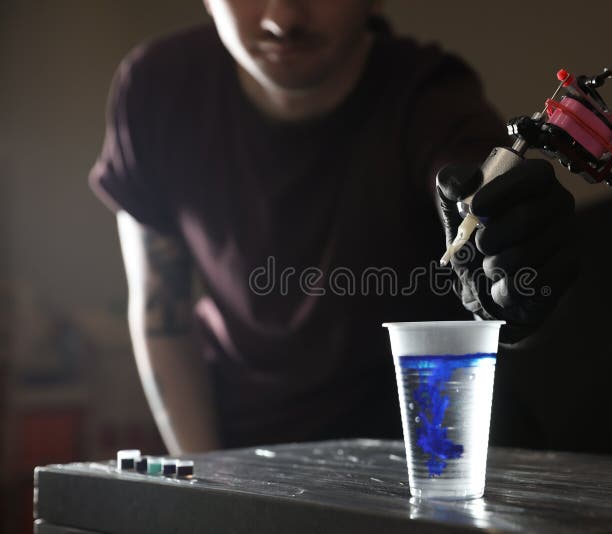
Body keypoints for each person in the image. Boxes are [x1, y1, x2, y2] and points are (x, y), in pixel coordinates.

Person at [89, 0, 578, 455]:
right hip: (236, 450)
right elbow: (161, 312)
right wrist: (205, 486)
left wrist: (514, 265)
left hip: (412, 460)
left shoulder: (430, 98)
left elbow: (474, 198)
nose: (283, 18)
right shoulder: (157, 88)